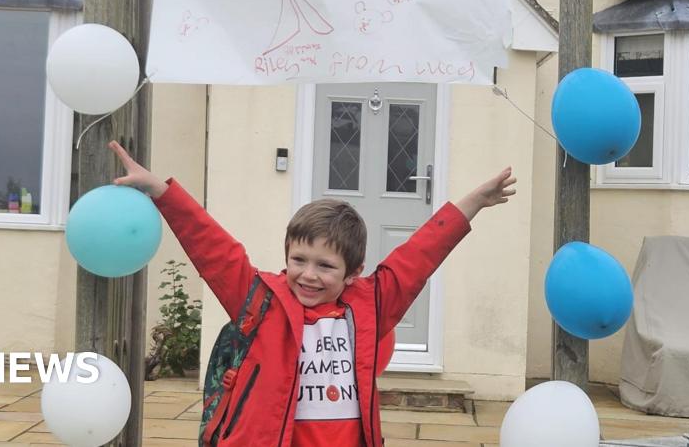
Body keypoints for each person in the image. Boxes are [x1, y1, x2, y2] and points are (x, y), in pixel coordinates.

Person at [108, 140, 516, 447]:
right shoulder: (261, 301)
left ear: (353, 273)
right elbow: (212, 246)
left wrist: (474, 202)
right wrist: (161, 190)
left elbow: (419, 256)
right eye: (299, 260)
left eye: (325, 266)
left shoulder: (371, 304)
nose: (308, 275)